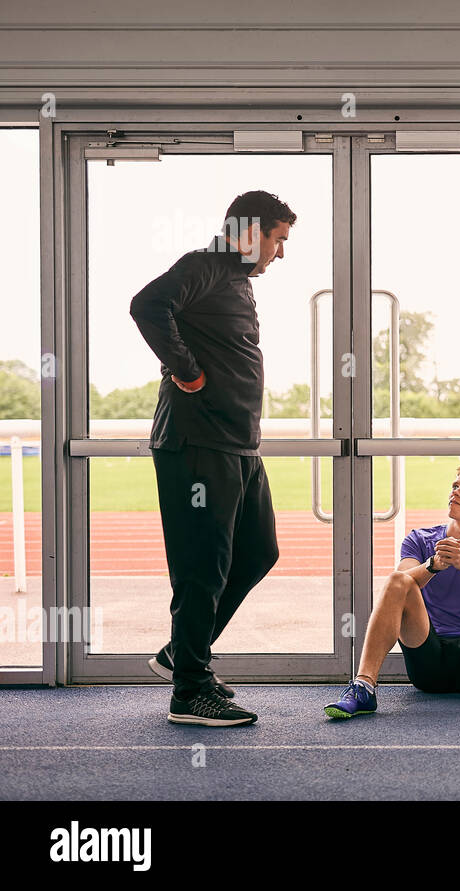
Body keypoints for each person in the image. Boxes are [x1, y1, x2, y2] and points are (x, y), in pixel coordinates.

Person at [129, 190, 296, 727]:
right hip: (197, 445)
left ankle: (183, 654)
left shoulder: (237, 282)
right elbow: (147, 305)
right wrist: (185, 369)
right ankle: (189, 693)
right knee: (203, 568)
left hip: (238, 446)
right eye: (277, 240)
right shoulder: (203, 266)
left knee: (257, 552)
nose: (280, 253)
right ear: (250, 232)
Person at [325, 463, 460, 721]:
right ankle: (364, 686)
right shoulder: (420, 539)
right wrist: (432, 566)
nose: (456, 492)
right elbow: (400, 582)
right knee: (397, 581)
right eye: (455, 486)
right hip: (427, 660)